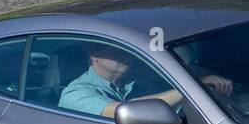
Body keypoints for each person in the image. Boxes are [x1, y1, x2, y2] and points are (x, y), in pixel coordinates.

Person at [59, 42, 233, 118]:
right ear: (94, 55)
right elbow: (126, 111)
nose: (124, 53)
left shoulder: (134, 80)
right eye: (115, 49)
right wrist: (192, 88)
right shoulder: (76, 94)